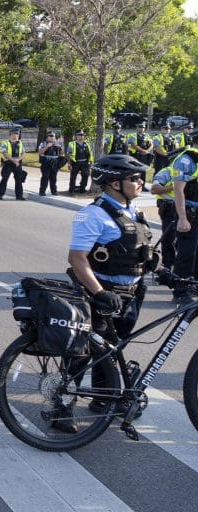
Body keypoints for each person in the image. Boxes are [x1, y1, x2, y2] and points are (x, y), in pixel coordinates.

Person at [61, 155, 156, 432]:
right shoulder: (93, 214)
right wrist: (99, 293)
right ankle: (62, 404)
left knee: (112, 349)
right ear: (115, 183)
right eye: (134, 178)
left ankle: (103, 398)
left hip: (130, 295)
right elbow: (77, 259)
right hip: (100, 294)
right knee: (82, 351)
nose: (140, 182)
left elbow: (135, 250)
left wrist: (159, 269)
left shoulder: (133, 211)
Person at [170, 144, 198, 306]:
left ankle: (194, 285)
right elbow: (178, 191)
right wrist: (182, 218)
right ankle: (180, 291)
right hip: (189, 213)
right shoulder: (186, 160)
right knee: (187, 252)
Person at [0, 128, 26, 200]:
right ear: (11, 135)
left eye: (18, 134)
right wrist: (13, 160)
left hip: (17, 163)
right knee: (5, 178)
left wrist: (18, 160)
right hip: (8, 163)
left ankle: (19, 196)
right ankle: (0, 195)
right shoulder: (5, 143)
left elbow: (23, 153)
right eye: (16, 134)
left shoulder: (20, 143)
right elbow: (5, 153)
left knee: (19, 180)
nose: (17, 136)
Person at [127, 123, 154, 191]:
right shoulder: (133, 135)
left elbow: (151, 144)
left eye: (143, 128)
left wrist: (147, 151)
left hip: (144, 155)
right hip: (135, 155)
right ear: (137, 128)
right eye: (140, 127)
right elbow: (133, 145)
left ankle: (143, 186)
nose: (142, 129)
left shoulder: (147, 135)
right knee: (135, 171)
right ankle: (133, 185)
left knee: (143, 171)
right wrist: (142, 150)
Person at [66, 130, 93, 194]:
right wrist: (69, 164)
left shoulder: (87, 144)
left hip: (85, 163)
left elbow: (90, 154)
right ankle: (71, 190)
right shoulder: (72, 144)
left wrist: (91, 163)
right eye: (80, 135)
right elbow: (69, 155)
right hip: (75, 163)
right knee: (73, 176)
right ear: (76, 136)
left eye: (83, 135)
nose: (82, 136)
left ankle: (82, 189)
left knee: (86, 175)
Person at [37, 131, 63, 196]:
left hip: (54, 163)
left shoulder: (57, 144)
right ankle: (42, 191)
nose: (52, 137)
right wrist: (47, 147)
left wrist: (59, 147)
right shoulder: (43, 143)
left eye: (53, 136)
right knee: (45, 177)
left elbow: (62, 153)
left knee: (53, 177)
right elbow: (40, 152)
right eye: (50, 136)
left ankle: (54, 191)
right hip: (46, 162)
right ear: (47, 137)